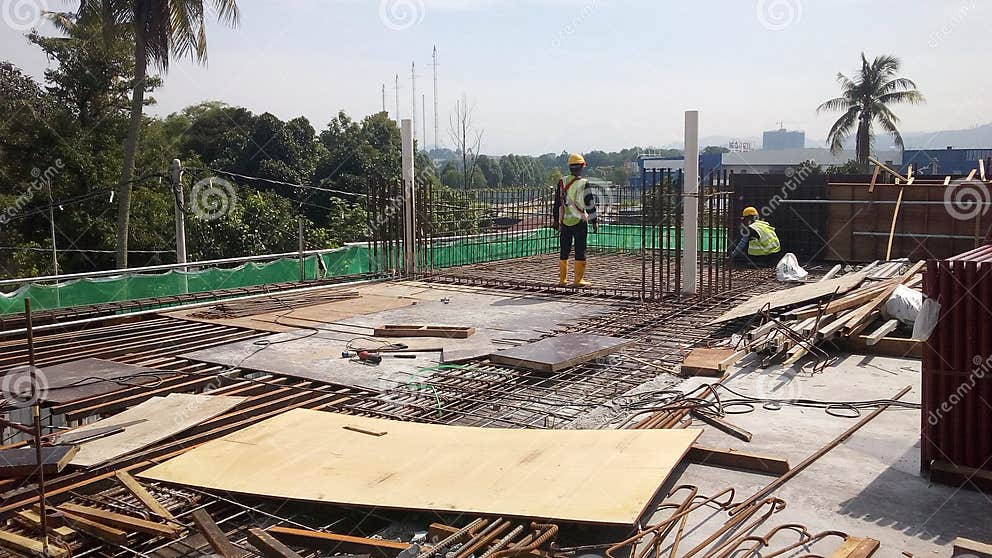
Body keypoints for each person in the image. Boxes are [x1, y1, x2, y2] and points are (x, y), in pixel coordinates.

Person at [553, 153, 598, 285]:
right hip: (579, 222)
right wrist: (594, 221)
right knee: (580, 249)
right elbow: (590, 204)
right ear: (582, 167)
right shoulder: (583, 183)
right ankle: (578, 280)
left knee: (564, 250)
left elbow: (556, 203)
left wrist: (556, 220)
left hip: (565, 222)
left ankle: (562, 279)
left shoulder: (562, 182)